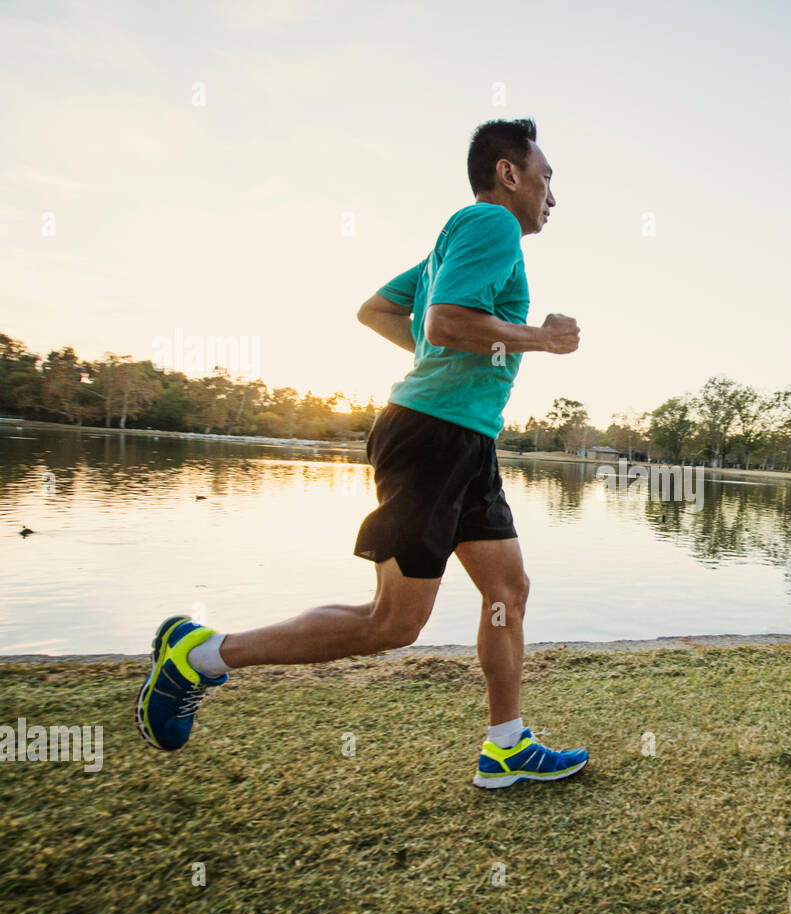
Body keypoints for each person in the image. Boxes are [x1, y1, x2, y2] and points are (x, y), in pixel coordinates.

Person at [136, 118, 588, 789]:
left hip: (463, 438)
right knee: (393, 622)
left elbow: (379, 311)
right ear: (509, 173)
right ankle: (199, 656)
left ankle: (506, 745)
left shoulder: (458, 240)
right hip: (434, 436)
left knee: (506, 588)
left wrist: (451, 357)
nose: (553, 194)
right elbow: (443, 322)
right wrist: (539, 338)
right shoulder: (490, 226)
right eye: (547, 177)